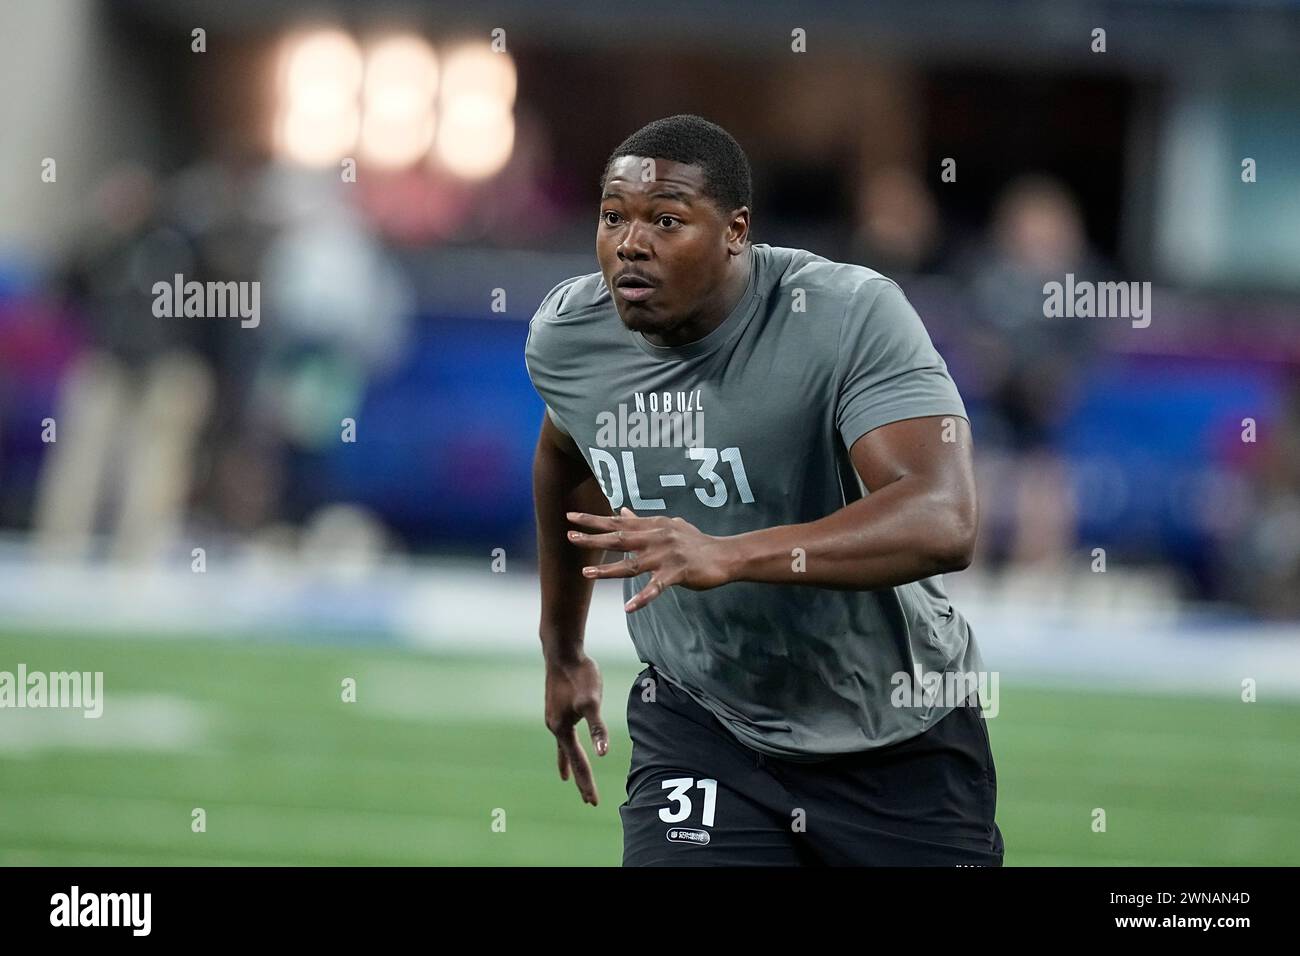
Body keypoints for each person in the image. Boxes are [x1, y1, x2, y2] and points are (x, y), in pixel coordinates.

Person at [525, 114, 1002, 866]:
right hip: (703, 720)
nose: (630, 243)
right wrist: (562, 649)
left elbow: (943, 519)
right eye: (613, 216)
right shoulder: (572, 336)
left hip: (896, 732)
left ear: (735, 231)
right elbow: (564, 453)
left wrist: (733, 554)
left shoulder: (847, 315)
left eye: (666, 220)